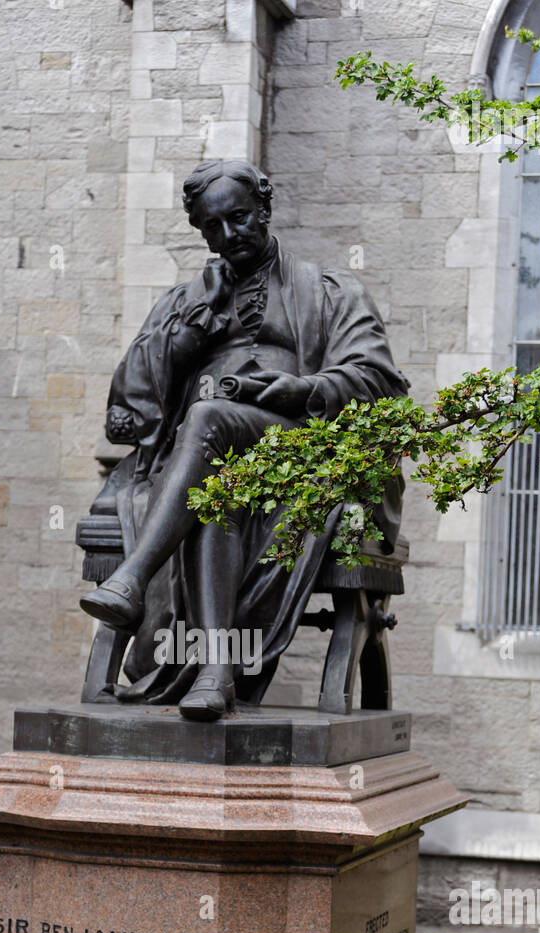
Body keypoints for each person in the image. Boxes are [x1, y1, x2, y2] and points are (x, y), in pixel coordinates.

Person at [80, 159, 407, 720]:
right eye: (214, 226)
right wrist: (186, 331)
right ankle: (215, 671)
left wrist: (300, 389)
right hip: (208, 465)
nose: (229, 235)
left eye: (239, 218)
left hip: (303, 453)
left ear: (264, 210)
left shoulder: (331, 291)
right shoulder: (184, 303)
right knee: (216, 487)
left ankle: (132, 578)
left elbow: (380, 383)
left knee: (210, 419)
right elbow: (127, 411)